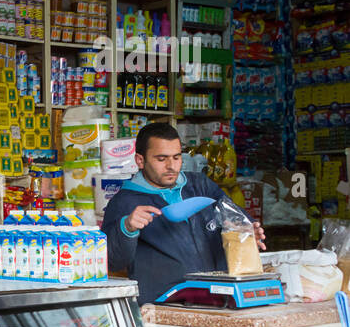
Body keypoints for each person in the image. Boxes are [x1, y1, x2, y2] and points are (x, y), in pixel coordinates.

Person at [101, 122, 266, 305]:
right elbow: (112, 263)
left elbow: (230, 212)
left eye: (177, 157)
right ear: (140, 160)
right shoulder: (125, 201)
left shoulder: (199, 185)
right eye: (161, 159)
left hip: (218, 298)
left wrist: (246, 230)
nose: (171, 166)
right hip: (164, 306)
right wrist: (127, 228)